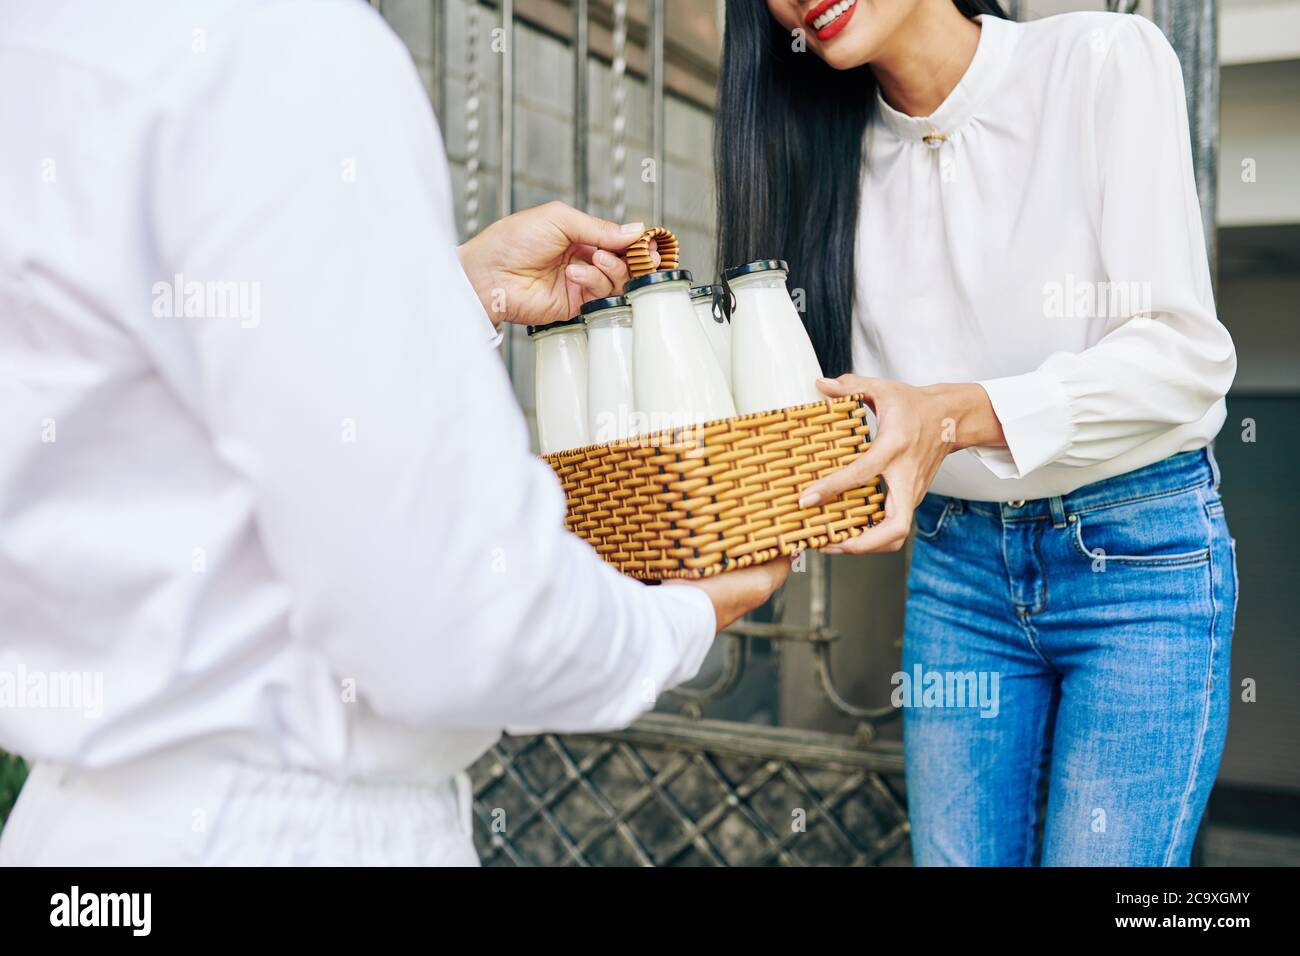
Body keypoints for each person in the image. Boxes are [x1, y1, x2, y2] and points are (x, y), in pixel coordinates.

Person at [0, 0, 787, 865]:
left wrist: (449, 294)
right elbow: (455, 622)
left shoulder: (44, 42)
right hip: (279, 831)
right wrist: (683, 616)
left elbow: (168, 399)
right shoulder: (282, 49)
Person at [717, 0, 1238, 865]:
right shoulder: (813, 154)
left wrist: (952, 415)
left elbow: (1184, 358)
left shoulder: (1102, 59)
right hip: (959, 572)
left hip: (1139, 563)